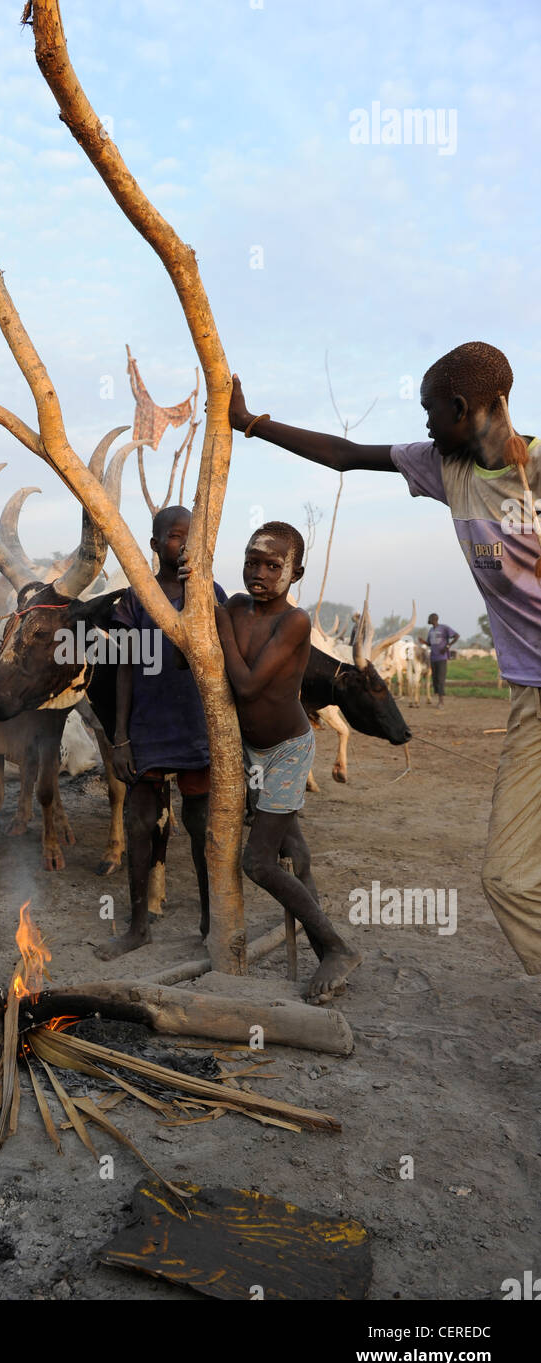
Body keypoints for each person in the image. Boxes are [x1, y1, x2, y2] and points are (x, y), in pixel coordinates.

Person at [230, 340, 541, 976]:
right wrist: (252, 425)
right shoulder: (445, 466)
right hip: (531, 700)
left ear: (462, 407)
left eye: (430, 411)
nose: (423, 424)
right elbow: (344, 456)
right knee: (509, 880)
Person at [214, 522, 361, 1004]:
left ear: (294, 573)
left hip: (286, 750)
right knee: (292, 851)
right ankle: (328, 948)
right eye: (252, 562)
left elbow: (248, 686)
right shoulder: (235, 607)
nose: (259, 572)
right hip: (247, 750)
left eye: (273, 566)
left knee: (258, 862)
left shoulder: (292, 623)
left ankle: (337, 947)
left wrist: (218, 627)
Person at [103, 506, 226, 958]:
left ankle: (211, 922)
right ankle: (138, 926)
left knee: (202, 828)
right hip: (148, 730)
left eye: (192, 537)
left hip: (197, 727)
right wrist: (119, 736)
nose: (185, 545)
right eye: (176, 537)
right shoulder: (137, 598)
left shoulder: (210, 594)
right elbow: (123, 671)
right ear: (154, 546)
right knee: (138, 824)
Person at [422, 611, 459, 708]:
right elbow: (430, 644)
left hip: (442, 658)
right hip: (433, 658)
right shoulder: (431, 630)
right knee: (435, 680)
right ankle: (439, 699)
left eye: (429, 618)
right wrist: (423, 642)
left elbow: (456, 636)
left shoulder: (444, 628)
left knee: (441, 679)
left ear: (434, 619)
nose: (428, 620)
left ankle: (441, 702)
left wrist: (447, 646)